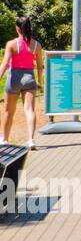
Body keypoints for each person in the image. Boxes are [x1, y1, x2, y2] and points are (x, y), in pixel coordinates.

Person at [0, 15, 44, 148]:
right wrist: (39, 81)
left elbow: (5, 64)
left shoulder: (12, 44)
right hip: (29, 78)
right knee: (29, 110)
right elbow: (40, 66)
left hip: (14, 79)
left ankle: (5, 140)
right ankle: (31, 140)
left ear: (17, 28)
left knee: (8, 111)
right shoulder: (36, 45)